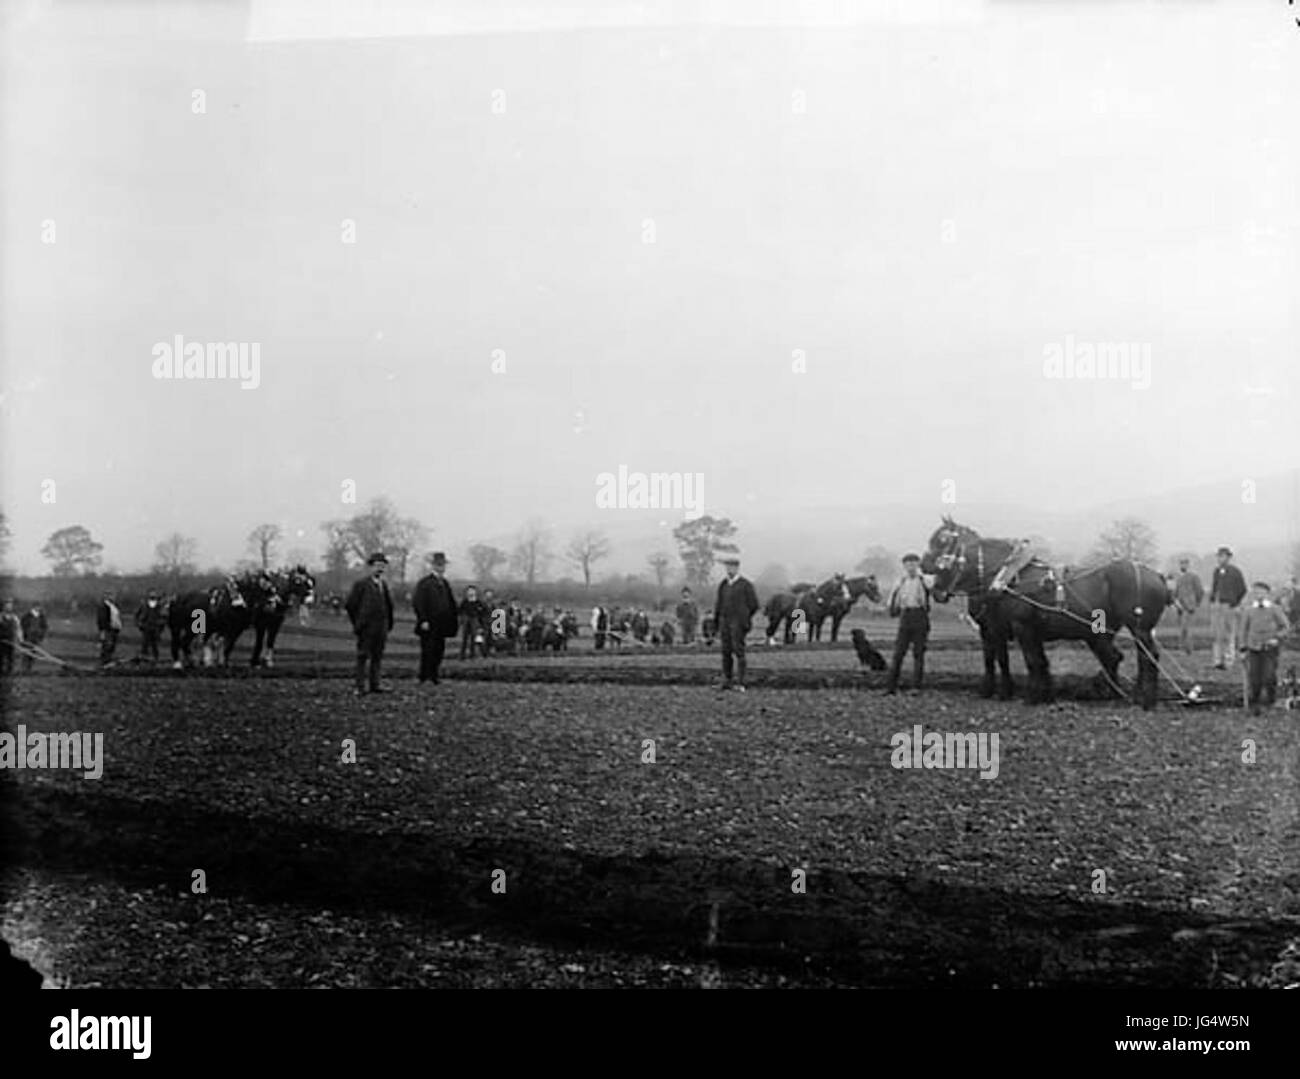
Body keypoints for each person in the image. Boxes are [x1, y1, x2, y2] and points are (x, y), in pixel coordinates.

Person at [345, 552, 395, 695]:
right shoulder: (361, 585)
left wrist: (388, 623)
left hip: (381, 628)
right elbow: (350, 605)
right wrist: (359, 622)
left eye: (383, 566)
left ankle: (375, 684)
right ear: (370, 567)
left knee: (377, 657)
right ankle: (359, 686)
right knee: (362, 656)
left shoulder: (383, 585)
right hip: (366, 628)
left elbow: (388, 606)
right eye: (377, 566)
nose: (380, 569)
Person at [1238, 581, 1290, 715]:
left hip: (1270, 649)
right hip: (1253, 648)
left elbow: (1285, 627)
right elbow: (1243, 631)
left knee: (1268, 675)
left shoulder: (1274, 609)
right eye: (1256, 592)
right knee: (1254, 677)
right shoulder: (1249, 610)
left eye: (1261, 592)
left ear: (1267, 594)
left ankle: (1271, 700)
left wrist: (1276, 638)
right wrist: (1242, 649)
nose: (1259, 595)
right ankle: (1254, 703)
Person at [885, 553, 931, 694]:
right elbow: (892, 599)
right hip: (905, 616)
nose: (911, 567)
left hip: (920, 616)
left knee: (918, 654)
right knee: (898, 653)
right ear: (904, 566)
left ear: (918, 565)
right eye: (908, 564)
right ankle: (891, 687)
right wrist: (892, 608)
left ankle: (916, 687)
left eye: (914, 563)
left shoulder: (925, 580)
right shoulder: (900, 581)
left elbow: (937, 592)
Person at [714, 555, 759, 691]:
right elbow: (719, 604)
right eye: (727, 567)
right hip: (725, 622)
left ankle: (741, 682)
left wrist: (743, 618)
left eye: (732, 567)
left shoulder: (746, 585)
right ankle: (727, 680)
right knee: (725, 652)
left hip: (738, 623)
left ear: (737, 568)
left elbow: (754, 605)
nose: (729, 569)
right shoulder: (723, 584)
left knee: (739, 651)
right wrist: (717, 621)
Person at [412, 552, 458, 685]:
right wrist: (423, 620)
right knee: (428, 650)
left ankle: (434, 675)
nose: (441, 568)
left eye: (443, 565)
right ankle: (423, 676)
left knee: (439, 650)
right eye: (438, 565)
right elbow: (418, 603)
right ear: (433, 566)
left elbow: (450, 603)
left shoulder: (444, 583)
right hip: (429, 623)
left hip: (442, 624)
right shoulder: (425, 583)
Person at [1208, 546, 1247, 669]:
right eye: (1219, 556)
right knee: (1216, 634)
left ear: (1229, 558)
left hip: (1229, 606)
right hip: (1217, 605)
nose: (1220, 559)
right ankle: (1217, 660)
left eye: (1223, 556)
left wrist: (1235, 602)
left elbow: (1243, 589)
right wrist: (1213, 599)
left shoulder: (1235, 572)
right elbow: (1214, 588)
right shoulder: (1216, 572)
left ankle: (1229, 660)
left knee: (1229, 634)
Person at [1172, 558, 1205, 656]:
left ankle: (1188, 650)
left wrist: (1196, 603)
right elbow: (1175, 592)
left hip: (1189, 607)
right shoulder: (1179, 578)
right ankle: (1182, 649)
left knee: (1187, 629)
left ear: (1188, 565)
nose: (1183, 566)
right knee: (1182, 629)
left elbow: (1199, 591)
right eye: (1181, 564)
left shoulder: (1194, 577)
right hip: (1180, 607)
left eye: (1184, 564)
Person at [135, 590, 166, 662]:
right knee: (144, 644)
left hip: (155, 628)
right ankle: (143, 659)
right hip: (146, 627)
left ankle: (156, 659)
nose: (152, 596)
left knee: (154, 645)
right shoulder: (143, 605)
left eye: (154, 595)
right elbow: (136, 615)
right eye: (151, 595)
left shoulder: (159, 606)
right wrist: (138, 623)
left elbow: (164, 617)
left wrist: (161, 625)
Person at [458, 586, 488, 659]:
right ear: (467, 593)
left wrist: (481, 625)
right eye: (469, 591)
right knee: (464, 639)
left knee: (474, 639)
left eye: (472, 591)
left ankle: (472, 655)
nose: (471, 592)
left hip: (475, 622)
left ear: (475, 592)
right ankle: (462, 655)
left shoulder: (479, 602)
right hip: (466, 622)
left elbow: (484, 614)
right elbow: (460, 612)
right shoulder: (464, 602)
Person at [96, 590, 122, 667]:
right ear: (106, 596)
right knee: (107, 647)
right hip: (108, 630)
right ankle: (104, 664)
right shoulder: (103, 606)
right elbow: (101, 619)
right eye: (110, 595)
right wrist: (103, 630)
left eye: (113, 595)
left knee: (111, 647)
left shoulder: (113, 606)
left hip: (114, 630)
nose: (113, 597)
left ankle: (107, 663)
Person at [19, 602, 47, 673]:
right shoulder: (26, 616)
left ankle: (29, 669)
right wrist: (23, 636)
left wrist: (41, 636)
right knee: (26, 653)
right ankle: (24, 669)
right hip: (28, 638)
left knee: (34, 654)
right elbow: (22, 626)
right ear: (33, 607)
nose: (38, 608)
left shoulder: (42, 617)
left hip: (36, 638)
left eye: (39, 607)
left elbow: (45, 627)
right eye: (37, 607)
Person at [0, 599, 22, 676]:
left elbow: (18, 628)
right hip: (1, 641)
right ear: (3, 607)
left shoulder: (14, 617)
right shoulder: (0, 617)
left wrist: (20, 638)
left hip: (11, 640)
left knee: (11, 657)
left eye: (10, 606)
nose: (9, 607)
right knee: (1, 657)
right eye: (7, 606)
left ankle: (9, 672)